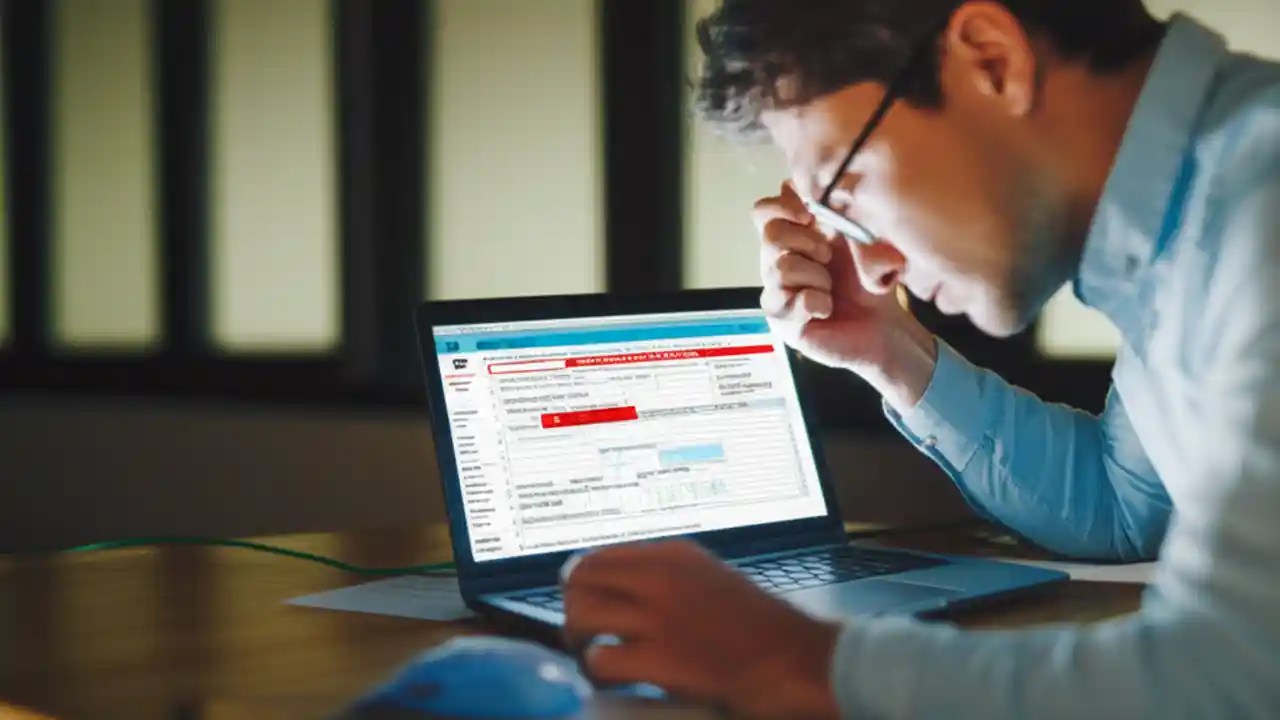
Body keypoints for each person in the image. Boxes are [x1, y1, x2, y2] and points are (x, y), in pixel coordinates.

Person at [560, 0, 1280, 717]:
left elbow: (1231, 678)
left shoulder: (1264, 204)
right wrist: (890, 350)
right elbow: (1125, 509)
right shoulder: (1185, 231)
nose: (872, 267)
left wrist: (802, 664)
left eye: (847, 191)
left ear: (991, 60)